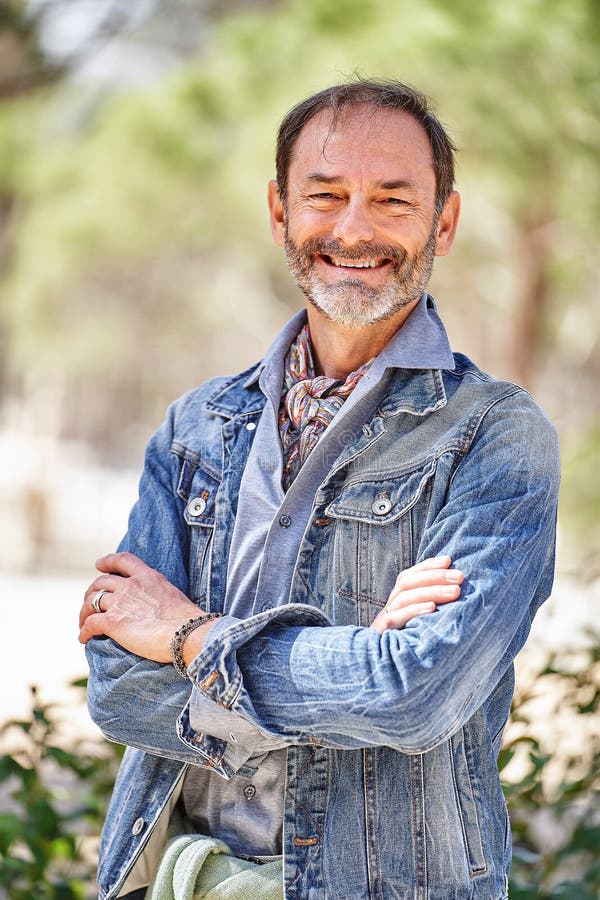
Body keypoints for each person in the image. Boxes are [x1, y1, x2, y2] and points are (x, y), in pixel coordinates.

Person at [79, 78, 560, 900]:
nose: (354, 230)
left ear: (444, 218)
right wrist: (352, 667)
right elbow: (121, 692)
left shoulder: (495, 437)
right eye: (325, 195)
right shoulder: (193, 430)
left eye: (393, 200)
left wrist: (189, 638)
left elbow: (414, 695)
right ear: (279, 211)